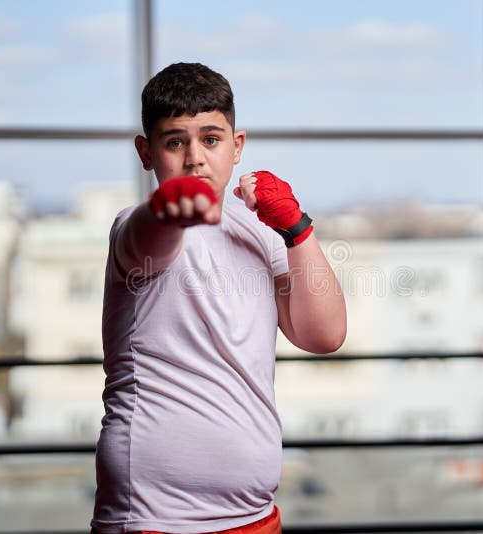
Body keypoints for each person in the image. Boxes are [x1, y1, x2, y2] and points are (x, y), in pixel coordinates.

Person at [90, 62, 347, 534]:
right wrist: (167, 212)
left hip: (254, 514)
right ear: (146, 153)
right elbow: (148, 241)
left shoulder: (260, 230)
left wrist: (297, 228)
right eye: (174, 143)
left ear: (237, 146)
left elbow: (324, 335)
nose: (195, 158)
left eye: (210, 139)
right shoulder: (135, 224)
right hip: (154, 516)